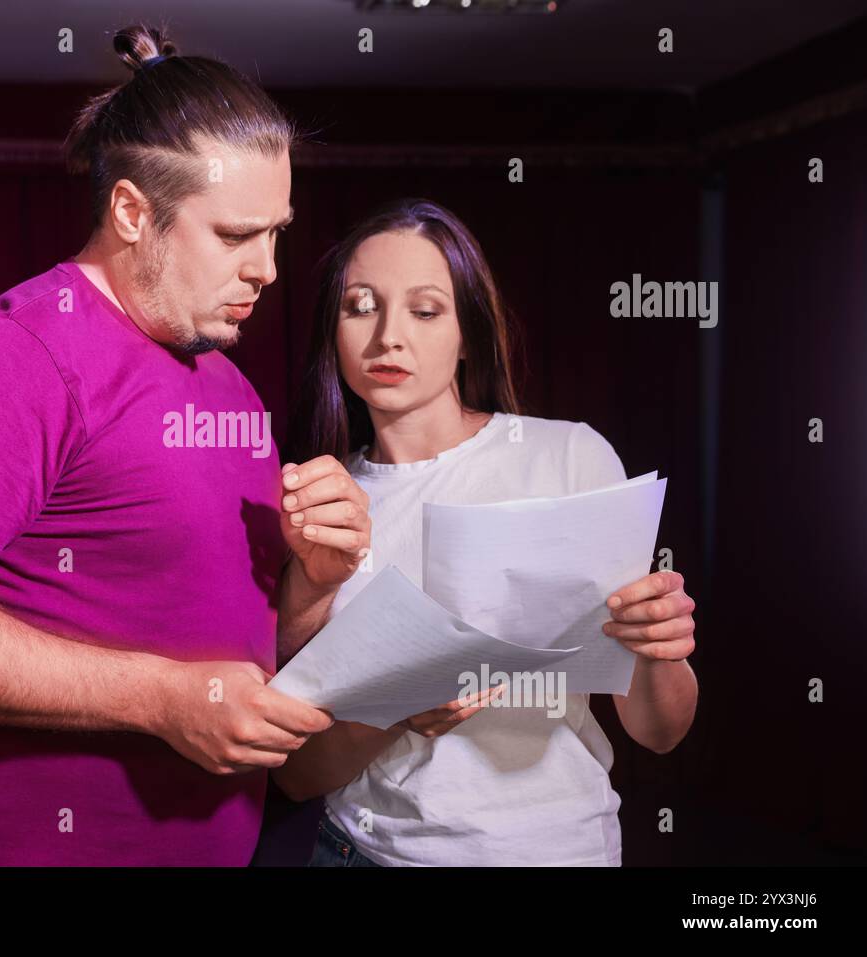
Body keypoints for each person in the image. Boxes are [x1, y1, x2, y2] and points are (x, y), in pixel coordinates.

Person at [0, 24, 370, 865]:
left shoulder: (228, 385)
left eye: (278, 231)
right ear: (130, 210)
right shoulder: (19, 355)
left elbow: (251, 648)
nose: (268, 268)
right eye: (235, 235)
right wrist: (159, 697)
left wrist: (316, 575)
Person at [271, 198, 699, 866]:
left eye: (424, 309)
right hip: (364, 852)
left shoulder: (568, 458)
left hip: (558, 848)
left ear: (467, 331)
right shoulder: (321, 508)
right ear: (333, 328)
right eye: (361, 305)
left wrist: (659, 649)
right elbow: (296, 774)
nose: (388, 336)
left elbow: (661, 731)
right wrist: (397, 710)